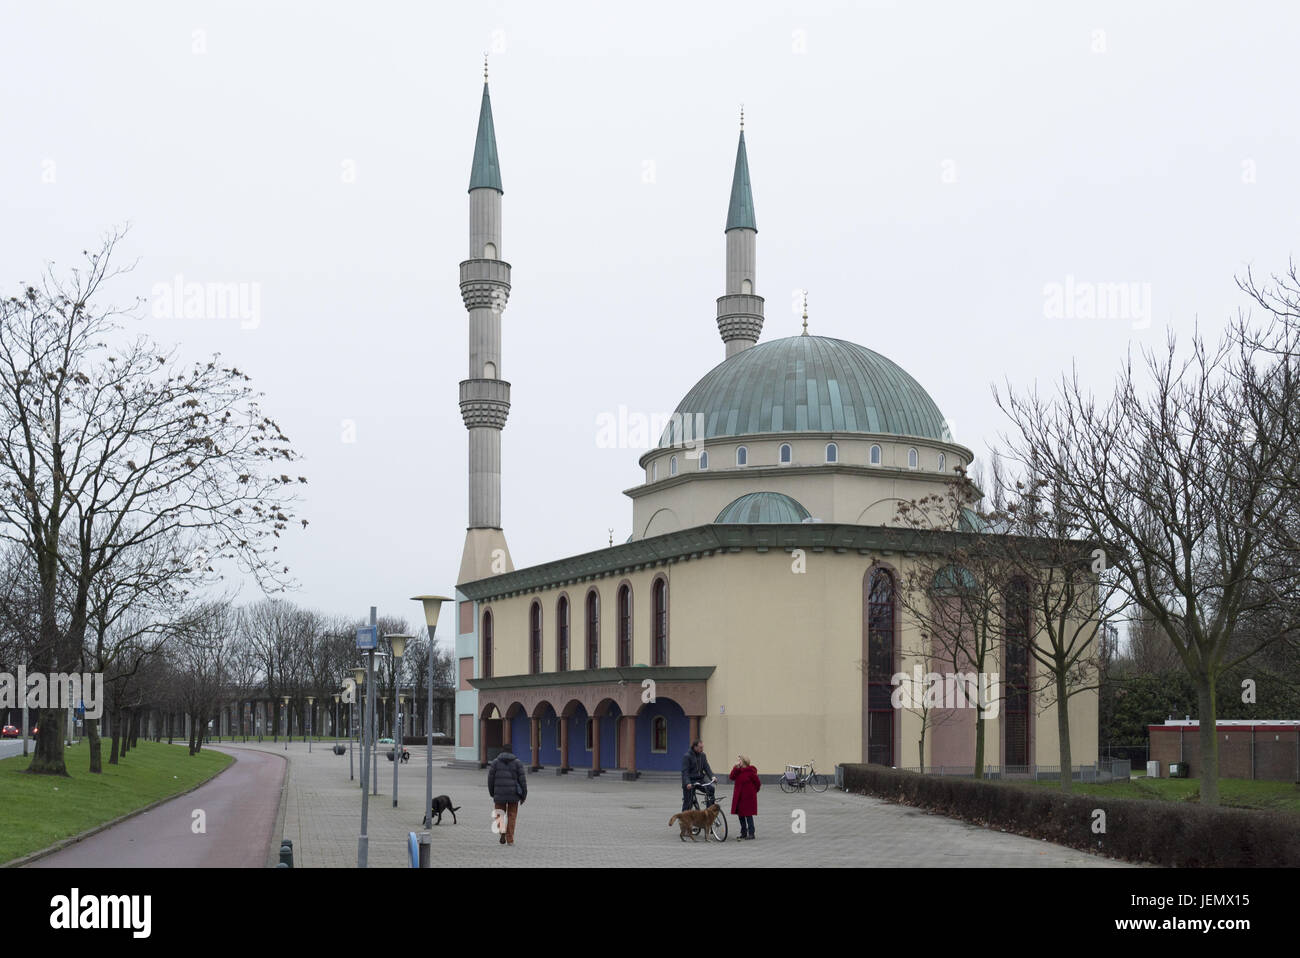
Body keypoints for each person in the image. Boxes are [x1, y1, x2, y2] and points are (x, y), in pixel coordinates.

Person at [488, 745, 527, 845]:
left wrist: (492, 792)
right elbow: (522, 780)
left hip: (499, 794)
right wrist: (524, 794)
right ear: (511, 752)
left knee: (499, 814)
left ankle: (502, 831)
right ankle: (510, 839)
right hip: (514, 794)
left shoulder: (495, 762)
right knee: (512, 816)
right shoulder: (517, 763)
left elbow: (490, 780)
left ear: (502, 751)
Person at [729, 754, 761, 840]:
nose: (738, 761)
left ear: (744, 762)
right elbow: (731, 777)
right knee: (740, 815)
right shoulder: (738, 770)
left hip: (748, 797)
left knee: (748, 815)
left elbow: (757, 783)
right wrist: (735, 768)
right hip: (739, 797)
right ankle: (743, 832)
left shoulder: (750, 772)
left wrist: (753, 792)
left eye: (739, 760)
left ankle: (751, 833)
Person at [681, 739, 715, 811]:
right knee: (688, 803)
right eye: (700, 748)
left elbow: (706, 767)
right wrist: (687, 783)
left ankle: (709, 812)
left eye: (702, 747)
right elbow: (685, 772)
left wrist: (712, 777)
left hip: (700, 780)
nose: (702, 749)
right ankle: (683, 820)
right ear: (695, 747)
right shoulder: (687, 756)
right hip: (690, 781)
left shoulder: (702, 755)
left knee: (711, 789)